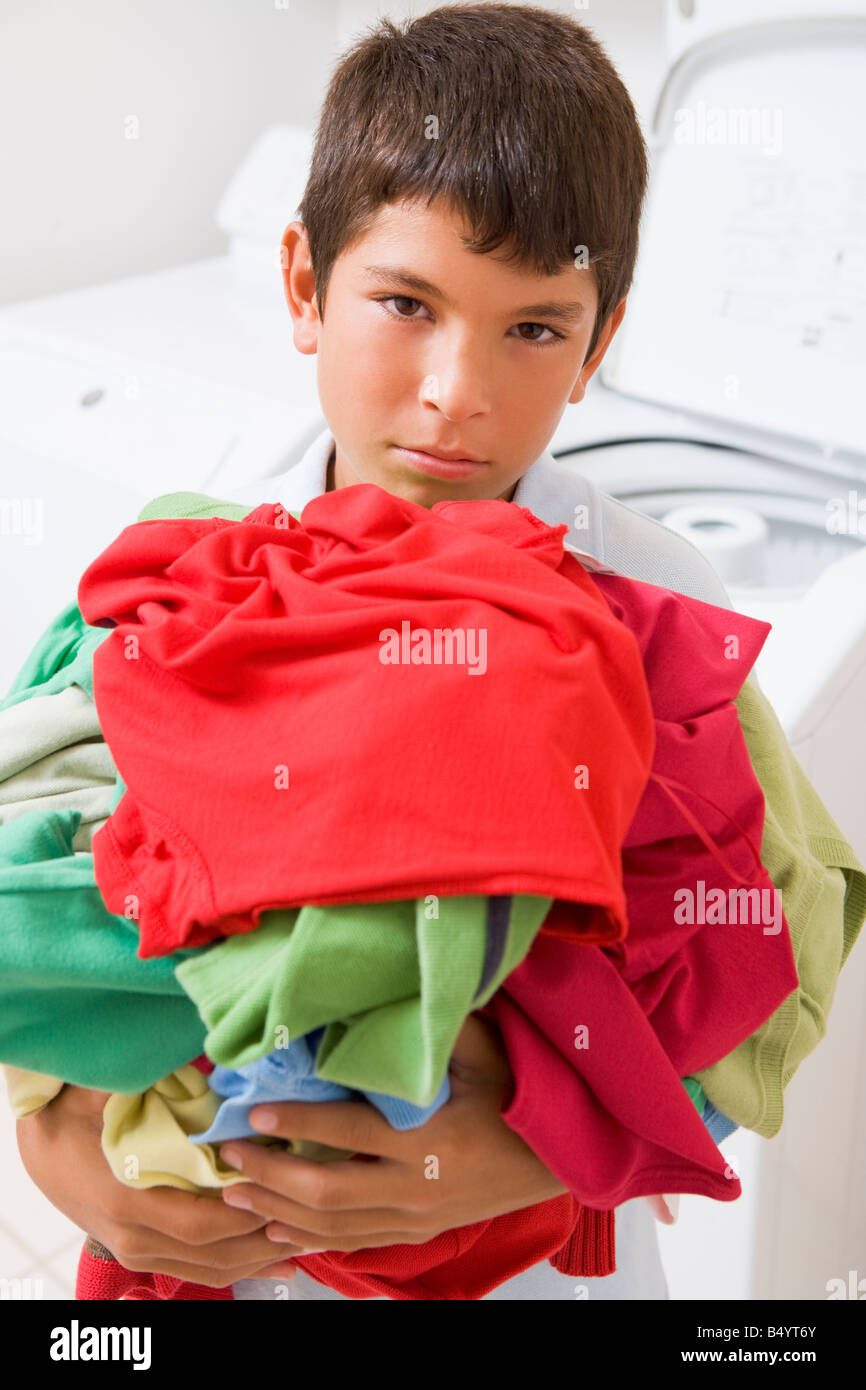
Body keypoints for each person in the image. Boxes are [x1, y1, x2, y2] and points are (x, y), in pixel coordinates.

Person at [13, 3, 860, 1301]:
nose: (457, 388)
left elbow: (741, 977)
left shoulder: (647, 597)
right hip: (214, 1247)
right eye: (406, 301)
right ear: (305, 284)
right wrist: (61, 1147)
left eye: (533, 327)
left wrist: (531, 1152)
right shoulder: (188, 557)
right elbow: (52, 881)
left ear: (599, 343)